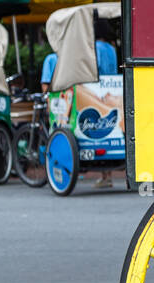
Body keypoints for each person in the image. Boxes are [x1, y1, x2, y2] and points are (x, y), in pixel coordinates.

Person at [40, 14, 121, 189]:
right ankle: (107, 176)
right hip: (109, 88)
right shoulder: (111, 49)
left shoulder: (86, 49)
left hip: (84, 91)